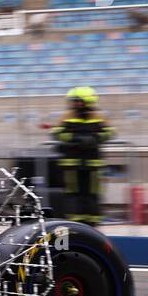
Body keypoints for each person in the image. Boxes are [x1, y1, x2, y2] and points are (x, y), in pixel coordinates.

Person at [50, 85, 113, 226]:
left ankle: (93, 225)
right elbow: (56, 133)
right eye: (73, 101)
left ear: (87, 101)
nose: (74, 103)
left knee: (92, 195)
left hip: (93, 165)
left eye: (77, 100)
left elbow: (110, 133)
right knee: (73, 195)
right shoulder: (67, 116)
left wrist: (95, 138)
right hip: (71, 165)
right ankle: (75, 225)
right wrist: (74, 138)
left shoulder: (99, 117)